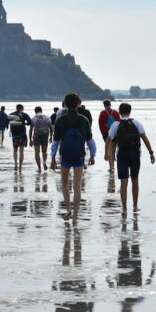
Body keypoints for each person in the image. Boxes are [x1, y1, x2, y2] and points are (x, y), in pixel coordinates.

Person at [50, 92, 97, 220]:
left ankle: (68, 210)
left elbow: (55, 142)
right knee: (77, 186)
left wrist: (52, 158)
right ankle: (76, 215)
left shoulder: (60, 120)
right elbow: (90, 140)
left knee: (64, 183)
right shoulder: (84, 120)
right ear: (78, 104)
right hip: (79, 156)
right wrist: (93, 155)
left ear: (65, 104)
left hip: (65, 155)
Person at [105, 102, 155, 216]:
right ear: (130, 111)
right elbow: (144, 137)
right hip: (135, 153)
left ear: (120, 112)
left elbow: (109, 140)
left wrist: (106, 153)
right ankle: (135, 206)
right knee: (135, 179)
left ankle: (124, 208)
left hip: (121, 154)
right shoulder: (136, 123)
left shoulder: (115, 124)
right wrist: (151, 152)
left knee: (123, 181)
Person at [98, 100, 121, 171]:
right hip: (115, 132)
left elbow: (100, 124)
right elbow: (119, 123)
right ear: (110, 104)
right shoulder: (116, 112)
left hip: (106, 132)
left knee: (109, 149)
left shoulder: (102, 113)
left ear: (104, 105)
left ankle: (111, 166)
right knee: (113, 148)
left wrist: (102, 133)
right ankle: (113, 165)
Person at [8, 104, 32, 171]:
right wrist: (25, 124)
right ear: (22, 108)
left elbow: (7, 121)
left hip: (15, 135)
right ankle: (20, 167)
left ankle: (15, 164)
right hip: (22, 135)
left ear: (16, 108)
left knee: (15, 150)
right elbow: (29, 122)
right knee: (21, 151)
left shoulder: (11, 114)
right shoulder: (24, 114)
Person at [30, 106, 53, 173]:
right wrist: (51, 137)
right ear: (41, 110)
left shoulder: (33, 118)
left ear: (35, 111)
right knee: (44, 151)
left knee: (37, 153)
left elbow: (31, 130)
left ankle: (39, 168)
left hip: (36, 136)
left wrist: (30, 139)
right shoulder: (47, 117)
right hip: (45, 136)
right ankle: (44, 162)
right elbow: (51, 128)